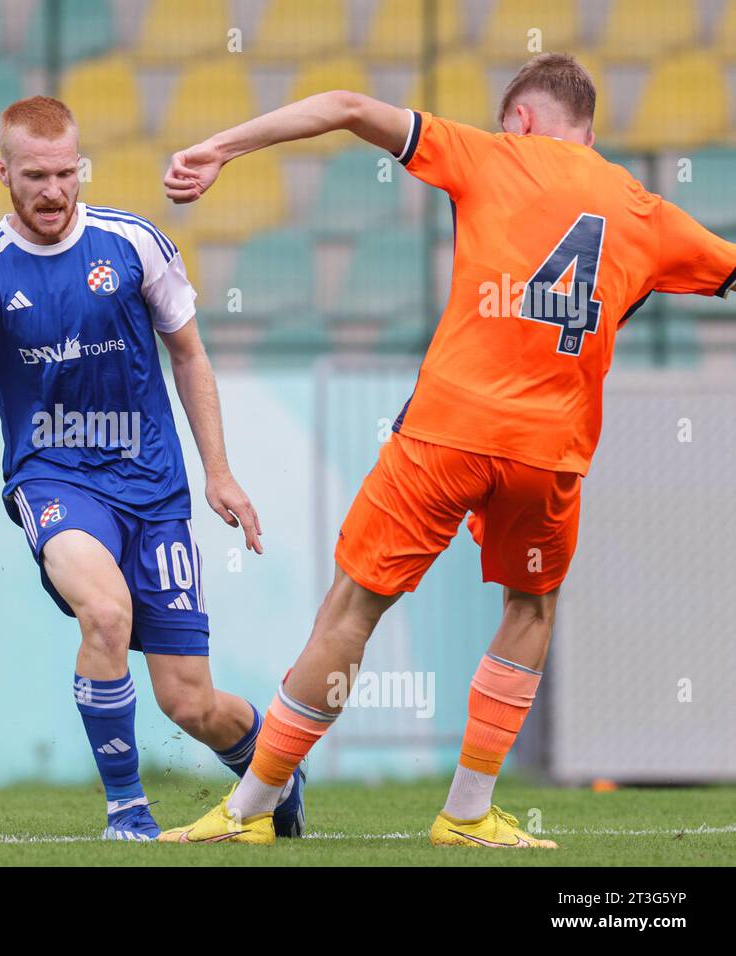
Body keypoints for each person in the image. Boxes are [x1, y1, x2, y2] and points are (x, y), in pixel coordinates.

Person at [158, 53, 736, 846]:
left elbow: (346, 103)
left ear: (521, 120)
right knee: (530, 608)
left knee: (354, 607)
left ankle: (250, 809)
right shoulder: (645, 212)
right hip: (549, 453)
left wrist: (223, 146)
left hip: (446, 432)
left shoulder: (489, 154)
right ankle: (467, 811)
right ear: (590, 133)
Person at [0, 96, 306, 841]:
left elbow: (189, 354)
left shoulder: (137, 244)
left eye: (68, 173)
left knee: (190, 703)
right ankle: (128, 812)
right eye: (36, 175)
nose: (54, 191)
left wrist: (218, 473)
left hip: (155, 488)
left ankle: (276, 775)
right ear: (3, 171)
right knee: (104, 613)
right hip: (53, 479)